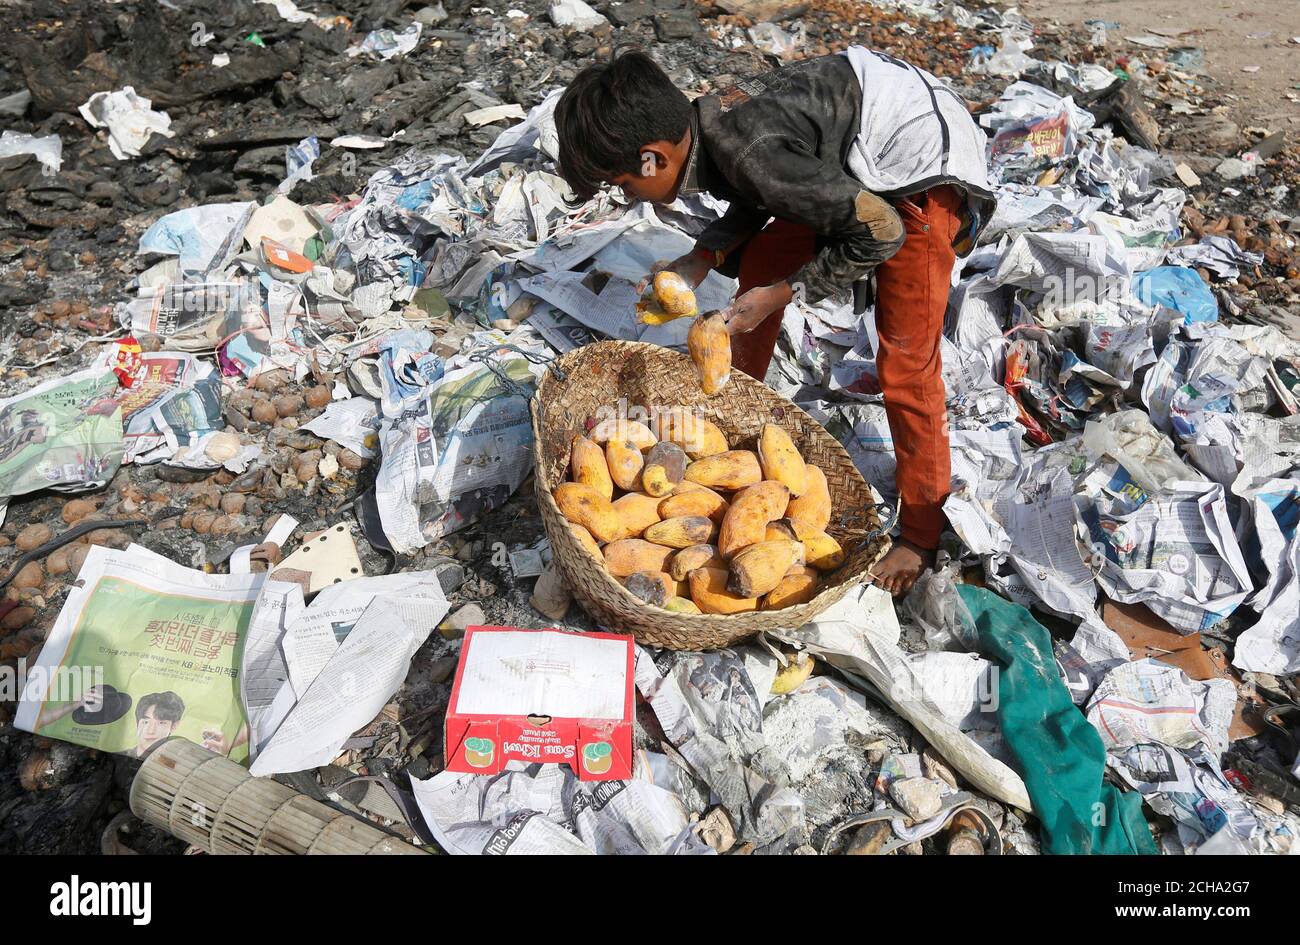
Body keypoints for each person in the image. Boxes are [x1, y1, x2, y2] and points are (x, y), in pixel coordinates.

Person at [554, 48, 994, 595]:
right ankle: (729, 409)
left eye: (624, 184)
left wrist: (784, 293)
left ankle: (920, 535)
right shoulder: (717, 130)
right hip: (855, 164)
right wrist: (702, 258)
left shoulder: (750, 147)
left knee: (906, 362)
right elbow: (766, 190)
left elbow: (882, 230)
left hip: (917, 181)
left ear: (653, 159)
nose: (627, 197)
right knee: (759, 261)